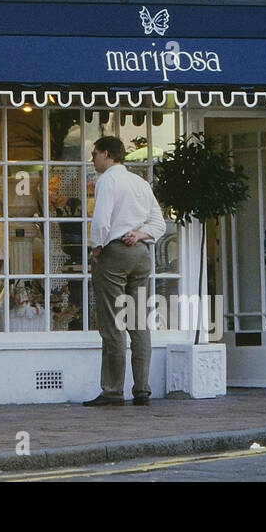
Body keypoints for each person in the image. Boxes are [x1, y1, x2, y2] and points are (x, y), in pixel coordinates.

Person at [83, 136, 165, 407]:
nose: (93, 159)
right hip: (140, 256)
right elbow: (159, 223)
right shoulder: (140, 182)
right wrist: (140, 235)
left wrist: (95, 249)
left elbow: (102, 219)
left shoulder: (107, 180)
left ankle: (112, 390)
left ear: (107, 154)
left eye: (95, 153)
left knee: (113, 324)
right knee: (139, 323)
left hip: (114, 253)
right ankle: (142, 388)